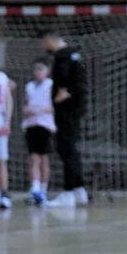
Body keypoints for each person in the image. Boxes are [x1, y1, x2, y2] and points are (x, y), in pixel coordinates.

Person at [40, 30, 88, 207]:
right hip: (75, 110)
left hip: (67, 111)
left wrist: (63, 93)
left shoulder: (62, 57)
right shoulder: (76, 55)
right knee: (71, 148)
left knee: (66, 148)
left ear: (49, 41)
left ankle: (68, 192)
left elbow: (66, 81)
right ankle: (79, 189)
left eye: (44, 43)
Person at [21, 58, 56, 206]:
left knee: (43, 158)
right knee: (33, 158)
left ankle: (43, 190)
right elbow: (24, 105)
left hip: (45, 125)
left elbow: (54, 107)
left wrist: (39, 110)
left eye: (41, 69)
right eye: (36, 69)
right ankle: (35, 189)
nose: (38, 72)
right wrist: (27, 111)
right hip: (31, 125)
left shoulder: (51, 85)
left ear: (47, 71)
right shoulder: (29, 86)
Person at [0, 60, 14, 210]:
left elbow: (8, 98)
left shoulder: (2, 77)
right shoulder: (3, 77)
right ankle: (3, 194)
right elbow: (9, 100)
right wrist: (7, 121)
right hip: (0, 118)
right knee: (1, 160)